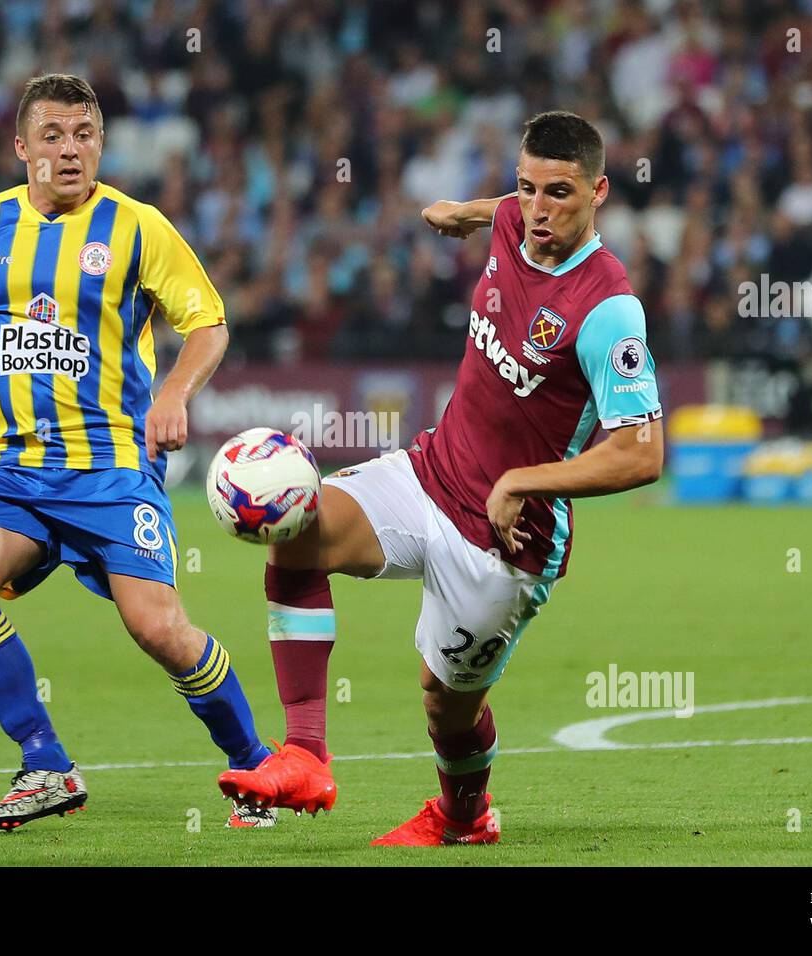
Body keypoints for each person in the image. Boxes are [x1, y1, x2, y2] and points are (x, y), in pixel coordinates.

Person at [218, 111, 664, 845]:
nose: (538, 209)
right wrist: (468, 213)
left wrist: (524, 479)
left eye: (560, 192)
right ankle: (305, 752)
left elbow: (641, 453)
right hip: (430, 472)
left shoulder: (609, 311)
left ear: (600, 192)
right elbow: (514, 211)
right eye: (526, 189)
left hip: (504, 542)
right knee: (299, 526)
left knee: (443, 706)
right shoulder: (518, 219)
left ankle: (465, 815)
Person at [0, 73, 275, 832]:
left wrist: (175, 393)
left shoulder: (138, 227)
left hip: (112, 470)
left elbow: (208, 323)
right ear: (21, 146)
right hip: (10, 468)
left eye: (84, 135)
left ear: (102, 144)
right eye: (52, 136)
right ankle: (45, 764)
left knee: (159, 628)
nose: (69, 150)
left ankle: (253, 766)